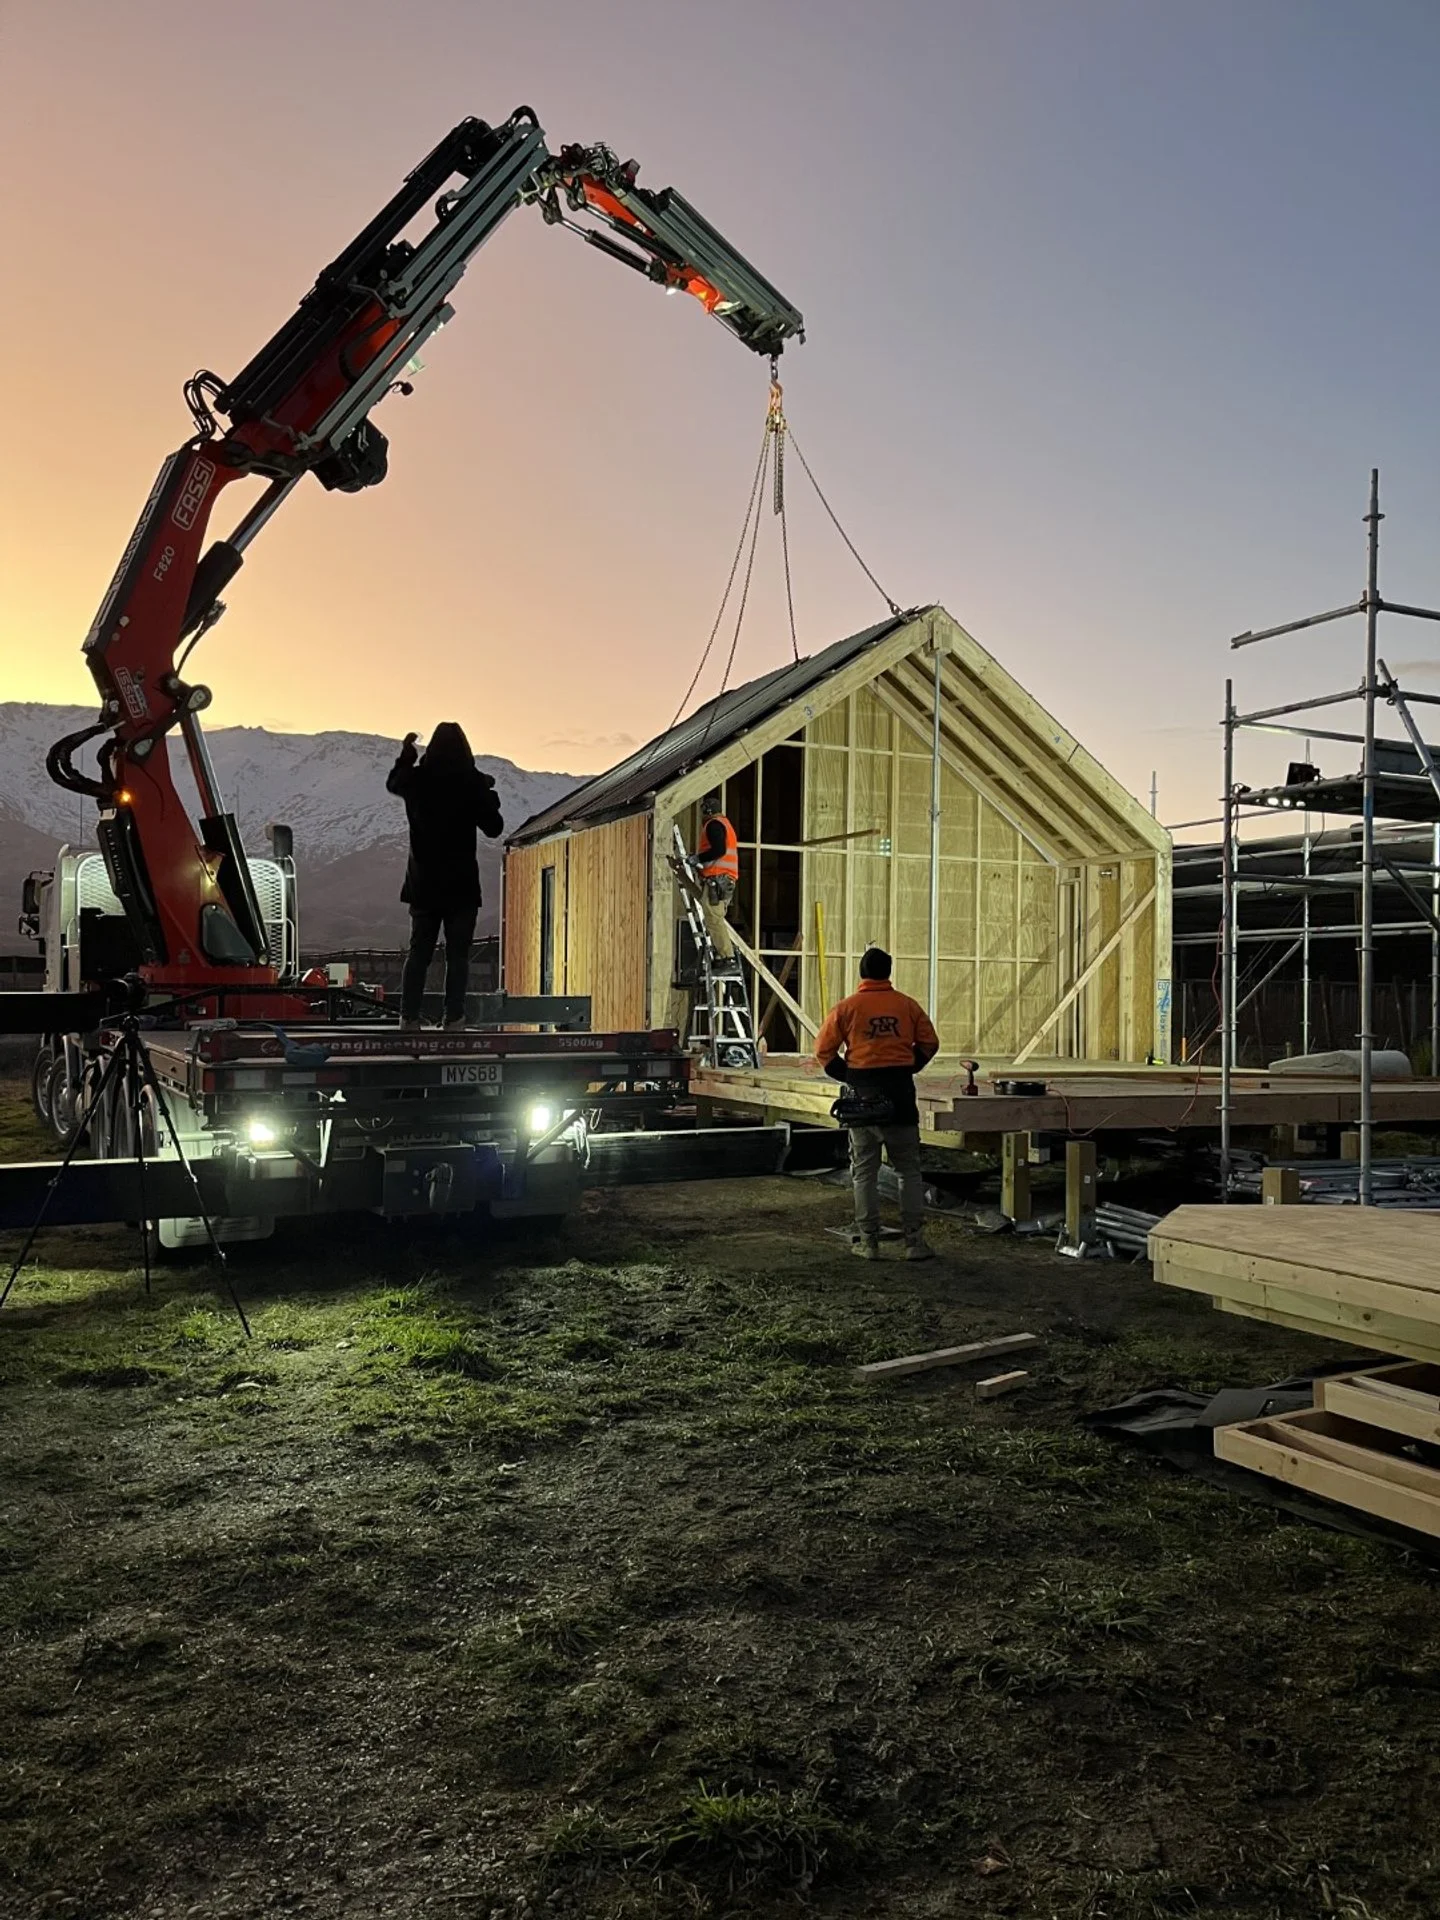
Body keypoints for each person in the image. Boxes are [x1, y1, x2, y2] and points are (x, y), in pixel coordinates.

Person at [814, 946, 941, 1261]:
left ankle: (868, 1242)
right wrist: (908, 1067)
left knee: (864, 1172)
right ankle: (914, 1242)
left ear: (862, 973)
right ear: (889, 972)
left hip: (862, 1100)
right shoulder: (907, 1006)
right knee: (908, 1171)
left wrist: (851, 1077)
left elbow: (824, 1052)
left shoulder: (847, 1008)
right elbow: (930, 1043)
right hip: (900, 1097)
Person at [386, 723, 504, 1030]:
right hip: (461, 887)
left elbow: (394, 782)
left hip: (423, 885)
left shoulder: (417, 781)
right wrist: (488, 796)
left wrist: (406, 756)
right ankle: (453, 1017)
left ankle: (409, 1017)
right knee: (458, 956)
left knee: (419, 954)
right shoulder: (471, 783)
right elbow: (494, 827)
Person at [691, 789, 739, 965]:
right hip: (723, 881)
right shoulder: (724, 824)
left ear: (707, 811)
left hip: (717, 881)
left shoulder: (714, 825)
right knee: (715, 917)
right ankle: (723, 955)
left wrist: (698, 858)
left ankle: (727, 957)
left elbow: (719, 850)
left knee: (713, 917)